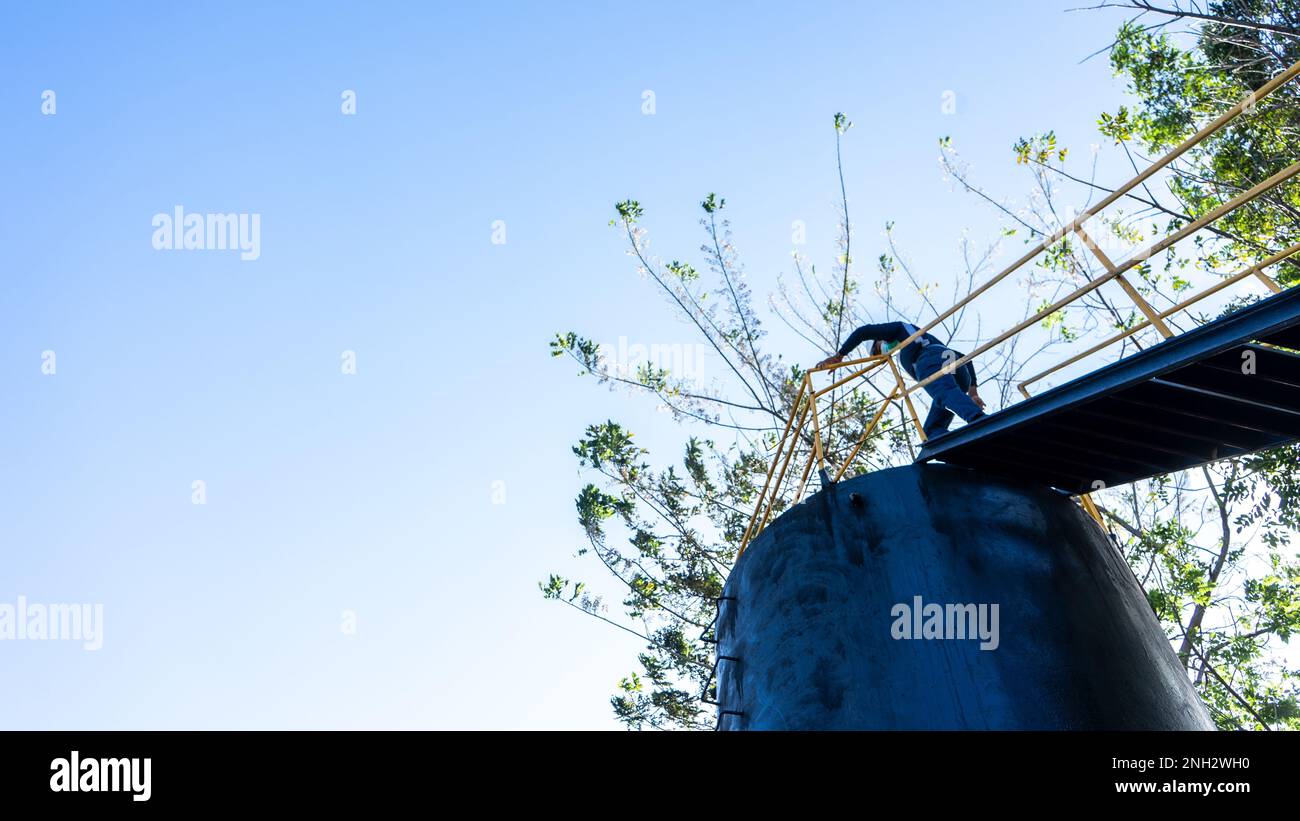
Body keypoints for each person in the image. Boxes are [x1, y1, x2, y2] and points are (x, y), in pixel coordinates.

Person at [816, 321, 987, 439]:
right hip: (951, 364)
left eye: (877, 351)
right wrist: (973, 392)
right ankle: (958, 446)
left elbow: (863, 332)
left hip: (929, 359)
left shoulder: (899, 332)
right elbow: (965, 358)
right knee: (931, 430)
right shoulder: (921, 337)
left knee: (943, 392)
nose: (881, 355)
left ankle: (980, 421)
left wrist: (839, 356)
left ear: (879, 340)